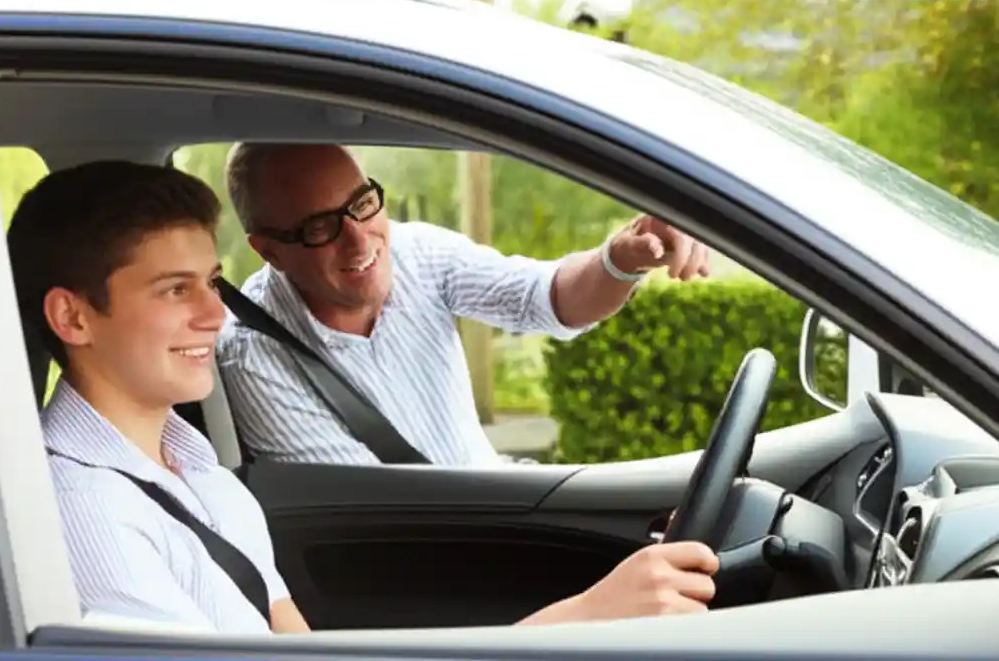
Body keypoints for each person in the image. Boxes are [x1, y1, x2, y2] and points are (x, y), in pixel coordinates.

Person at [7, 160, 718, 634]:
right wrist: (581, 619)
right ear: (73, 317)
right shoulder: (86, 510)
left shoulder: (191, 465)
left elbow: (301, 646)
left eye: (210, 283)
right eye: (174, 291)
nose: (215, 315)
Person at [217, 143, 712, 466]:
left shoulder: (419, 253)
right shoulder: (253, 355)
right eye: (320, 227)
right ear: (270, 250)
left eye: (362, 203)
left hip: (488, 503)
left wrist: (622, 257)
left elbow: (545, 298)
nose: (359, 241)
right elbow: (382, 507)